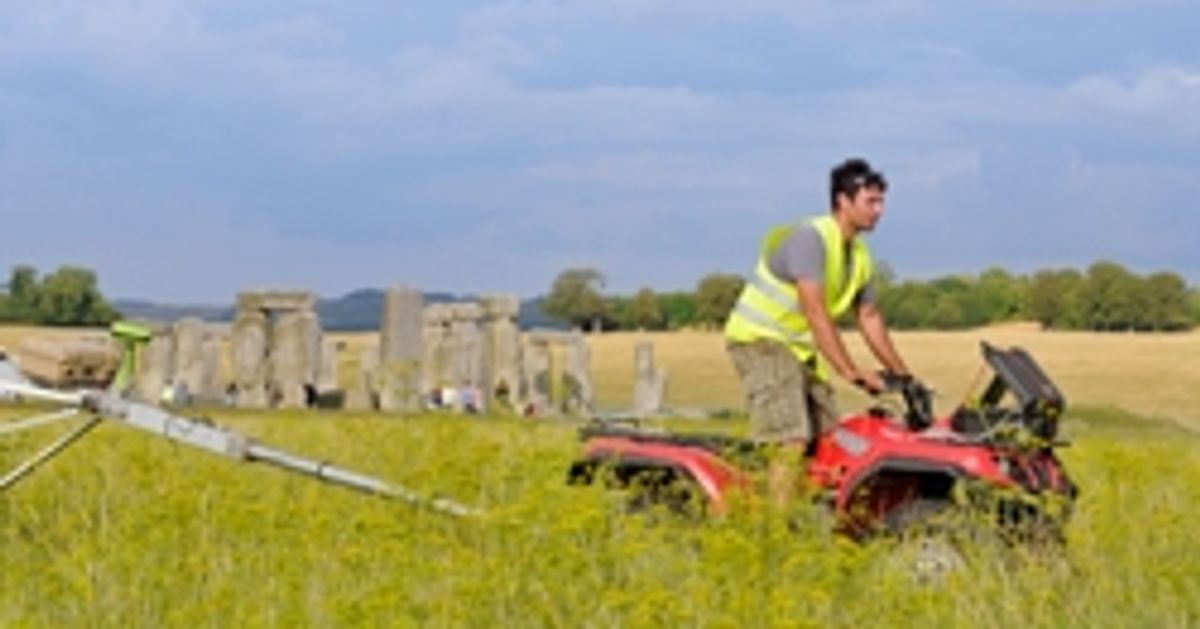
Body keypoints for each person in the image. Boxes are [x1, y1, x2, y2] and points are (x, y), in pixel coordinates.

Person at [724, 157, 916, 459]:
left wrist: (904, 377)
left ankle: (807, 502)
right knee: (790, 439)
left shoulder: (860, 255)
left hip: (799, 349)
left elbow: (869, 317)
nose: (879, 210)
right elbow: (815, 312)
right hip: (760, 341)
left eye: (881, 202)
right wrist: (850, 372)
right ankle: (781, 508)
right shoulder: (810, 239)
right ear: (843, 200)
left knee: (829, 437)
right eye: (871, 202)